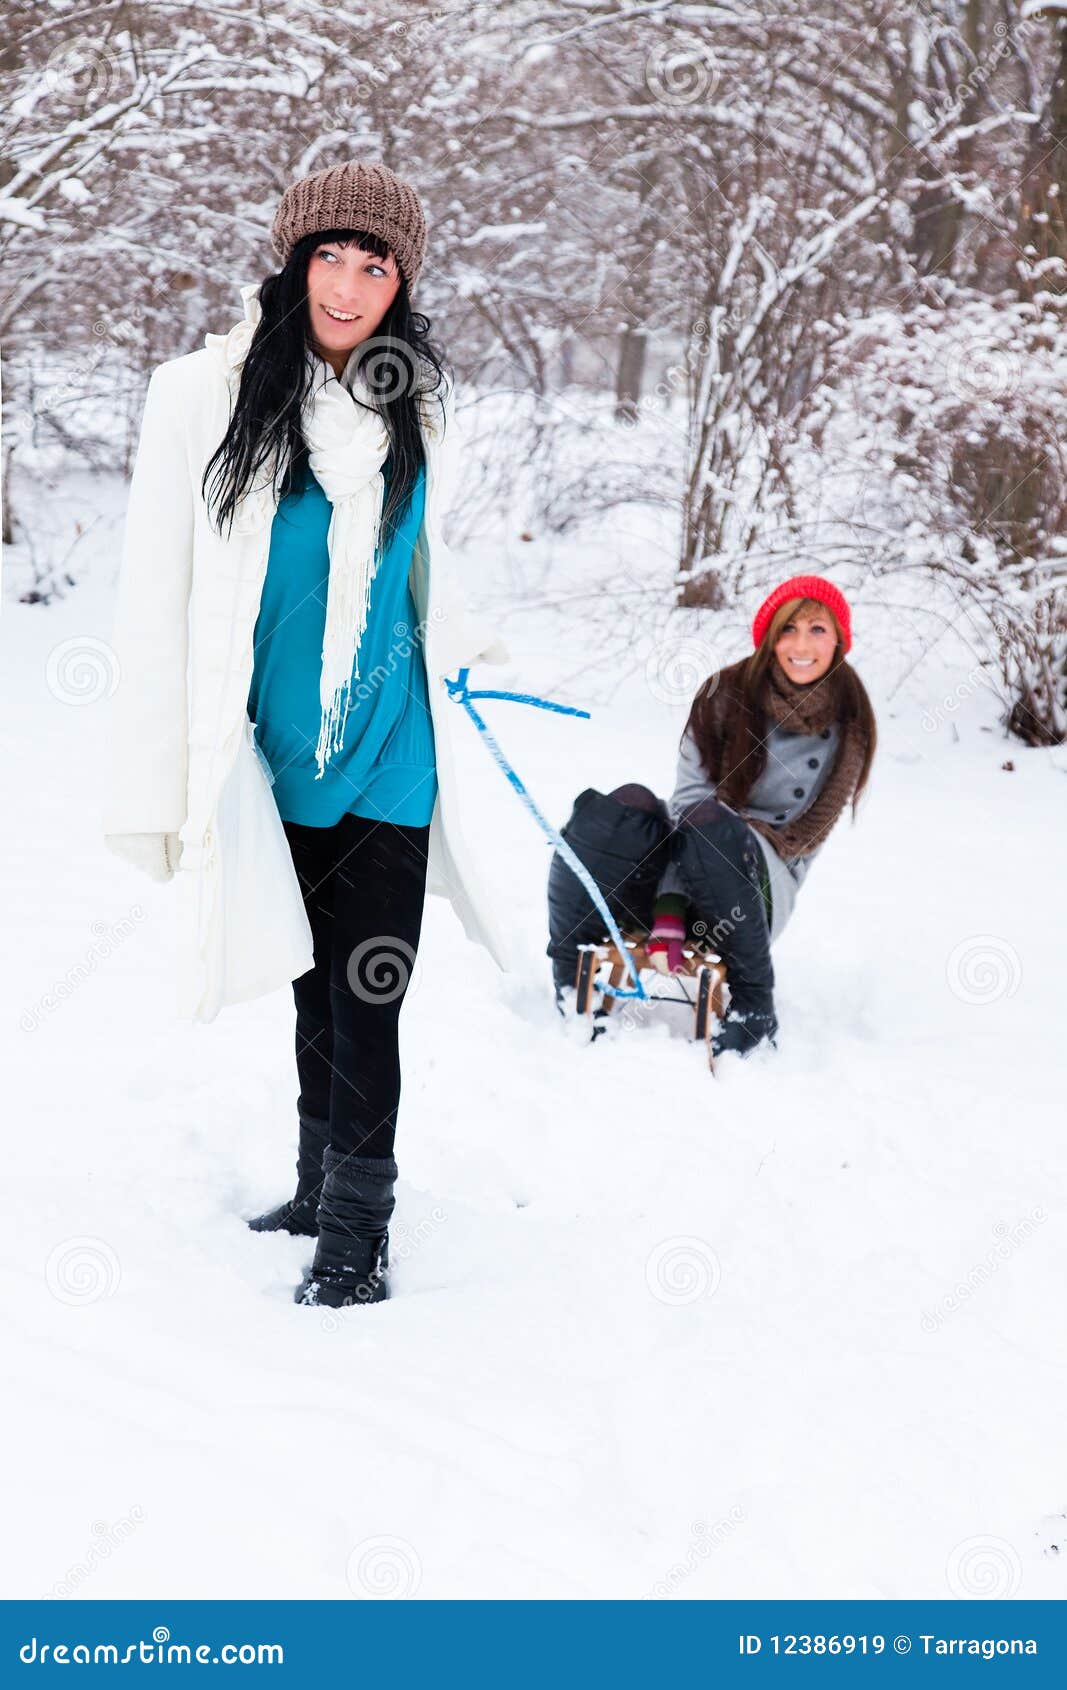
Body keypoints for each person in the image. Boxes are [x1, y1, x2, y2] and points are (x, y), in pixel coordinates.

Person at [101, 161, 511, 1309]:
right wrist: (160, 771)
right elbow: (155, 594)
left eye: (373, 263)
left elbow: (415, 567)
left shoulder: (409, 400)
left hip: (387, 752)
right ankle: (308, 1177)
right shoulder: (203, 395)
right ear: (291, 262)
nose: (346, 283)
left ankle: (355, 1229)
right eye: (327, 255)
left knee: (368, 984)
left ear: (399, 283)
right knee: (307, 981)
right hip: (266, 755)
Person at [546, 576, 876, 1060]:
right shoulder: (724, 693)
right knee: (620, 808)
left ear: (839, 639)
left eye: (817, 629)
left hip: (760, 886)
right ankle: (569, 970)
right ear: (769, 637)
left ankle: (754, 1005)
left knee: (715, 827)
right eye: (788, 629)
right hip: (689, 849)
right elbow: (689, 799)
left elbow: (803, 837)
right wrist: (670, 904)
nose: (801, 645)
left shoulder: (851, 722)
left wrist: (718, 838)